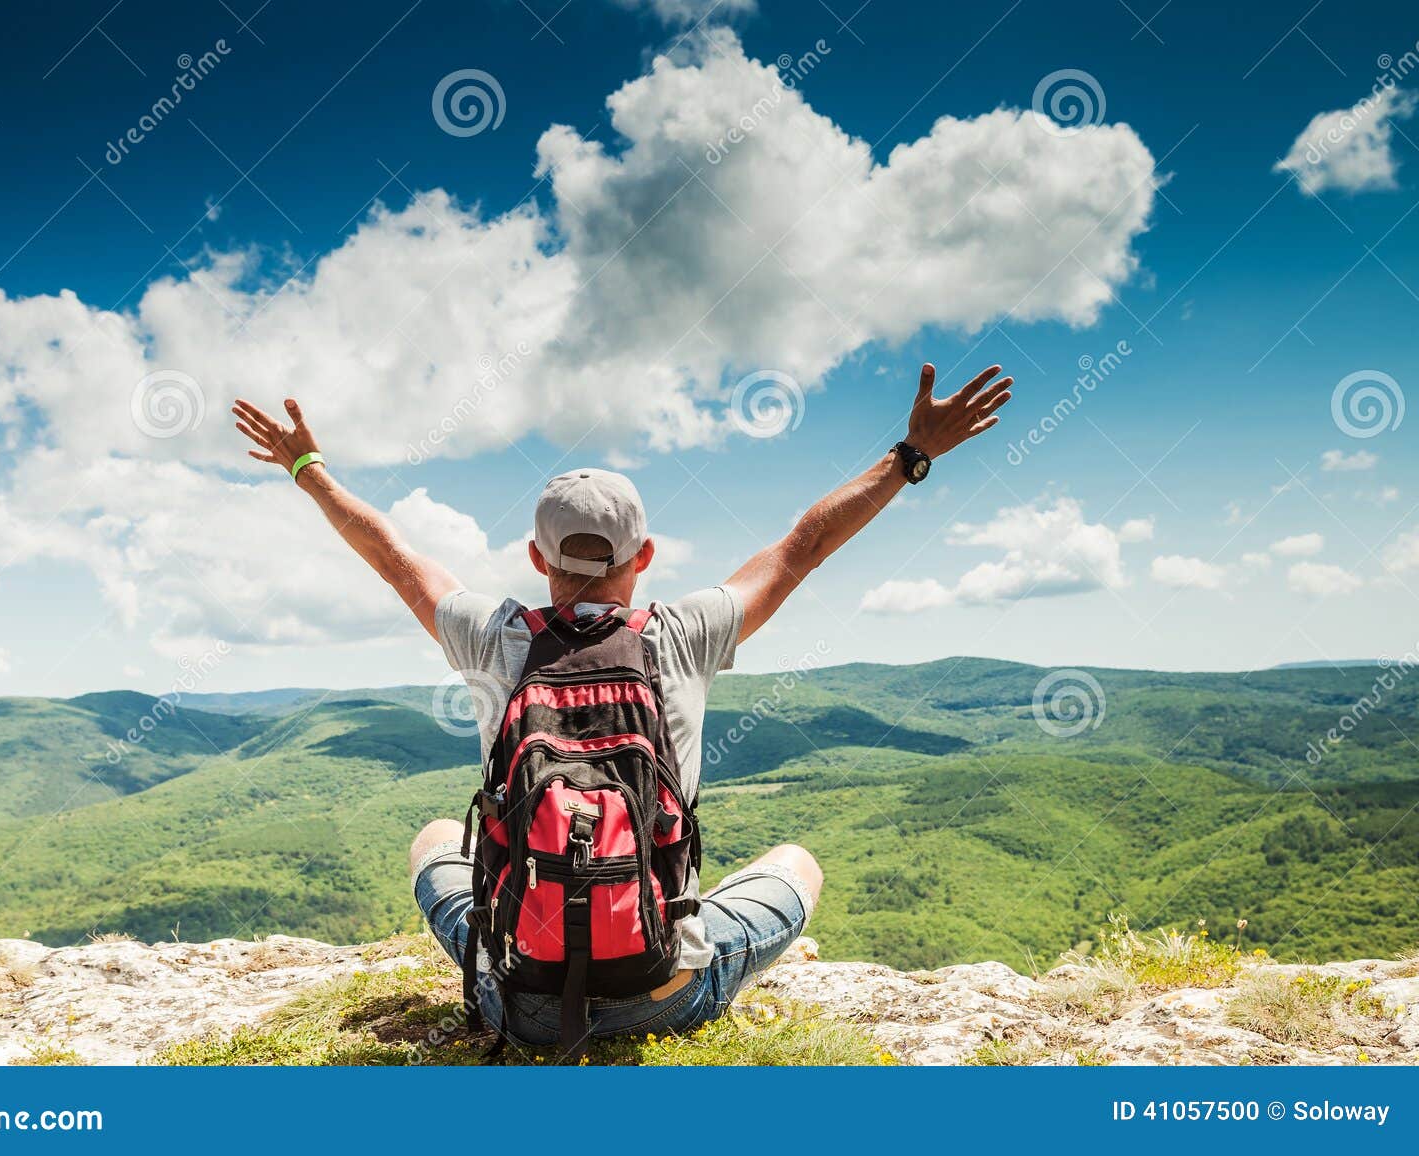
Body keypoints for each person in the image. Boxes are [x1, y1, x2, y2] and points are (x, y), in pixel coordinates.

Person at [231, 362, 1013, 1046]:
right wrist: (911, 455)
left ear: (536, 557)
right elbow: (800, 546)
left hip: (520, 1003)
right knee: (795, 864)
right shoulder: (682, 634)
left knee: (437, 836)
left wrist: (307, 465)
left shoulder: (492, 636)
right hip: (664, 994)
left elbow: (395, 558)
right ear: (645, 556)